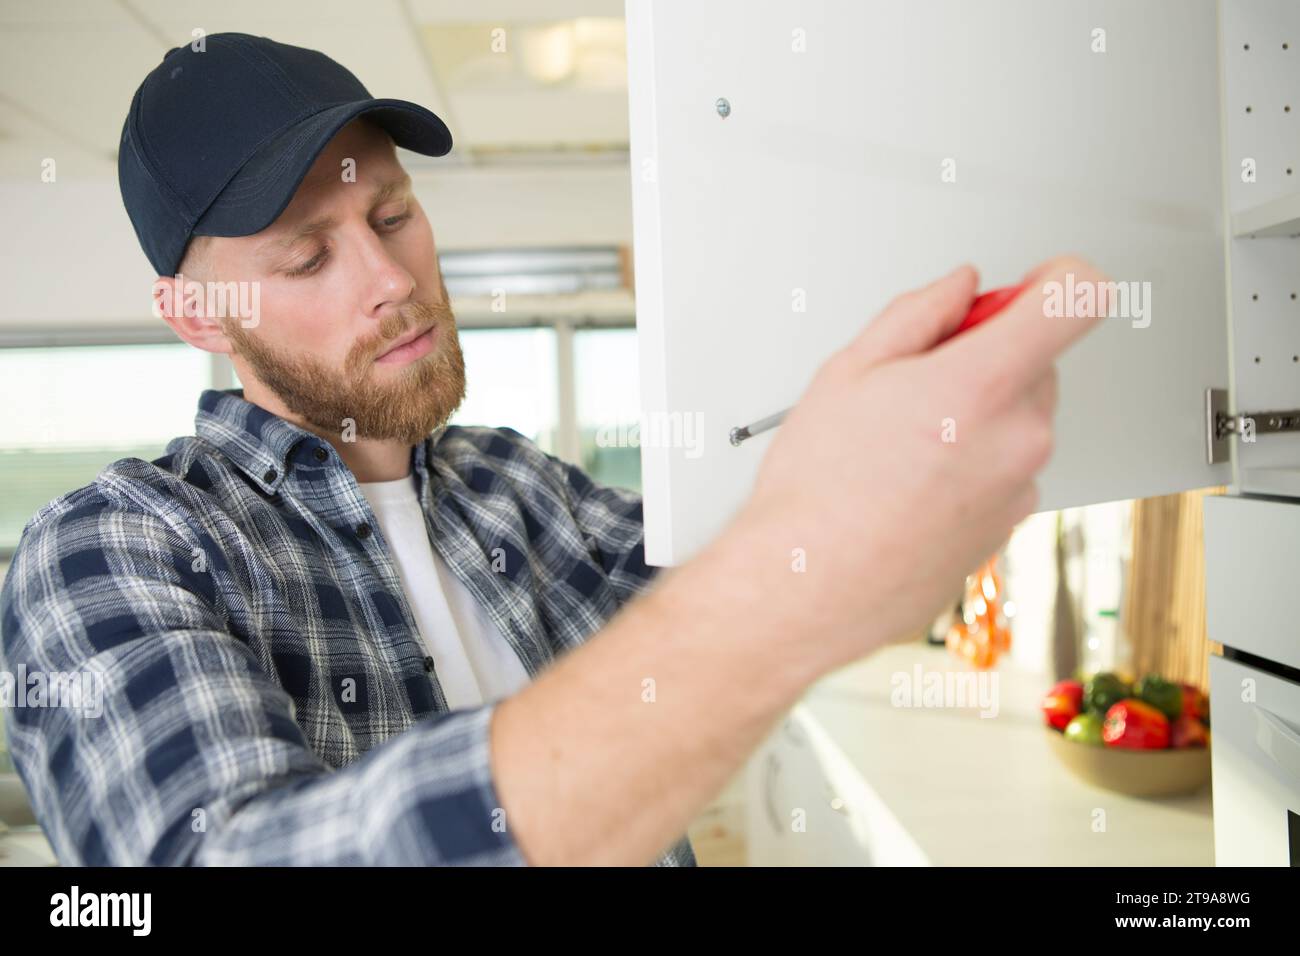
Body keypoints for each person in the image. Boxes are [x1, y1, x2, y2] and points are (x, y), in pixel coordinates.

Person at [0, 33, 1106, 866]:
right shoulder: (109, 548)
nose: (392, 282)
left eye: (392, 217)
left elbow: (763, 540)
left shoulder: (513, 486)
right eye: (307, 261)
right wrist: (778, 589)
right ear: (196, 313)